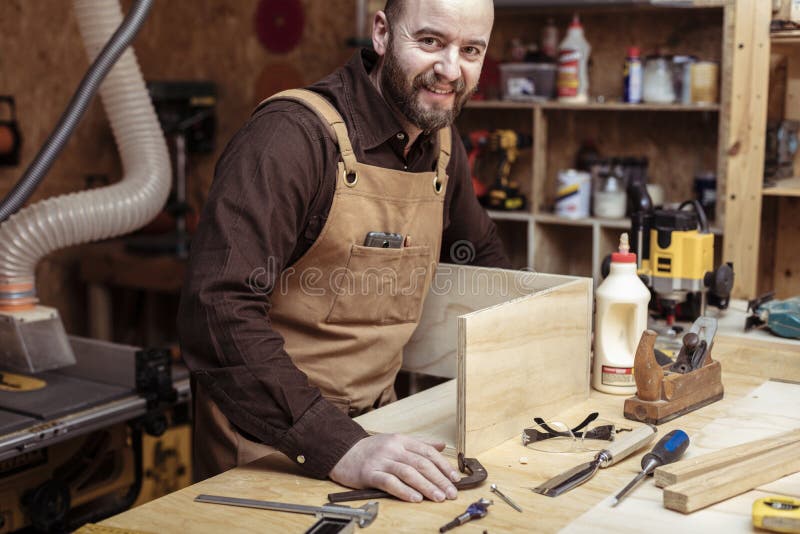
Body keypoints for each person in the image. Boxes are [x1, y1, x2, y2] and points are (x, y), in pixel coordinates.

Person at [178, 0, 508, 504]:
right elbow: (216, 309)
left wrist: (532, 354)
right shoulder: (290, 139)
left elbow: (479, 253)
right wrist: (339, 446)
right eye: (430, 42)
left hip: (381, 429)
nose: (449, 69)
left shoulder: (441, 145)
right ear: (381, 32)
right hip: (271, 442)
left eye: (471, 50)